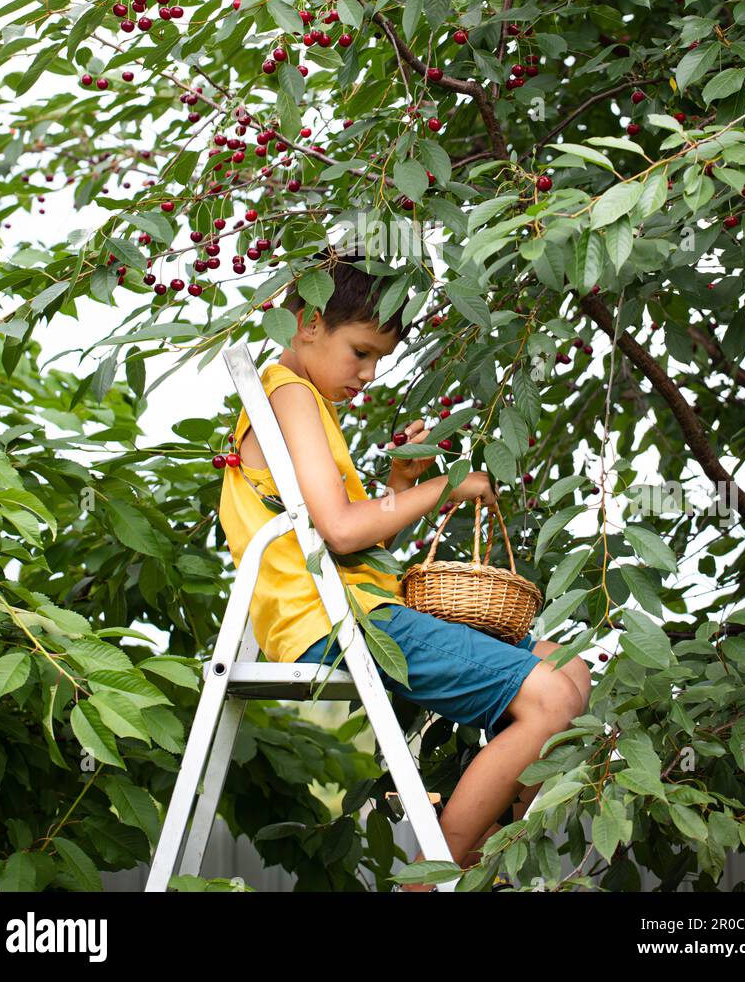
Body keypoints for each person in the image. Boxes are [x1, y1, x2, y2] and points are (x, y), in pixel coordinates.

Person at [218, 249, 591, 891]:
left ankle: (482, 865)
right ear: (308, 321)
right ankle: (434, 882)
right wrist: (442, 490)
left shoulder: (309, 403)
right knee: (552, 695)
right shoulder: (291, 398)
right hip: (334, 623)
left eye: (378, 361)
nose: (367, 373)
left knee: (570, 669)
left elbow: (341, 535)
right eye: (360, 351)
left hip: (358, 608)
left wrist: (394, 486)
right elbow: (337, 528)